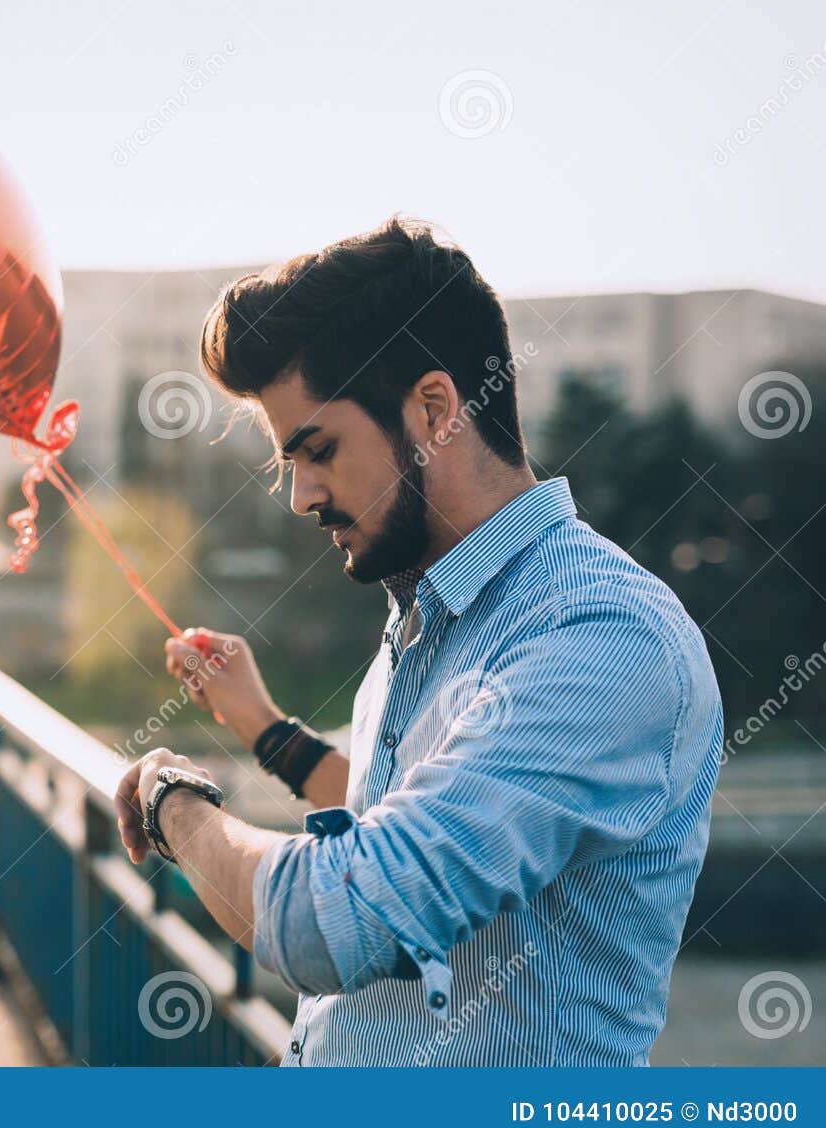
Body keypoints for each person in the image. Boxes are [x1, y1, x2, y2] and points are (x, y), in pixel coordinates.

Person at [113, 216, 723, 1066]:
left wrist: (173, 805)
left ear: (434, 410)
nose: (301, 495)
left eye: (319, 450)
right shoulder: (429, 606)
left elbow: (342, 917)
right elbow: (410, 807)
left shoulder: (603, 636)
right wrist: (263, 726)